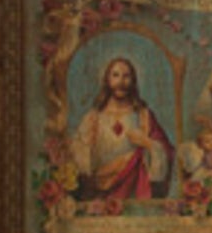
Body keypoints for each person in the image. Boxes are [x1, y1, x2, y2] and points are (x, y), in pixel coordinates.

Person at [70, 57, 174, 201]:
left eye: (126, 76)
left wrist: (148, 143)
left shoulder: (144, 116)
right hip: (99, 196)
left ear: (133, 81)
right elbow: (78, 160)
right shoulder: (93, 118)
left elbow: (168, 152)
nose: (121, 82)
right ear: (107, 80)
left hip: (134, 192)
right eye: (116, 75)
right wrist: (82, 148)